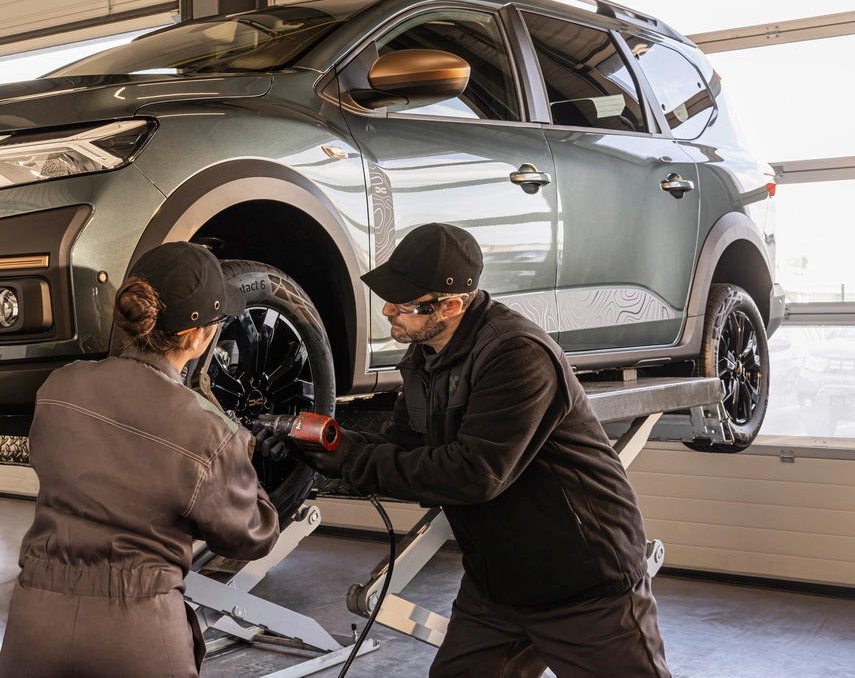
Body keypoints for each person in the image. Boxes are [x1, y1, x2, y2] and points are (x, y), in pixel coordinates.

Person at [262, 223, 671, 677]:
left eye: (403, 304)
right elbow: (400, 451)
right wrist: (317, 449)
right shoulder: (424, 357)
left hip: (582, 582)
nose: (388, 310)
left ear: (452, 305)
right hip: (498, 583)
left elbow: (474, 475)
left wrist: (352, 459)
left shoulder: (516, 354)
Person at [0, 241, 279, 677]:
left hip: (34, 620)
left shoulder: (59, 387)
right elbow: (249, 538)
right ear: (198, 334)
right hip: (136, 629)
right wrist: (245, 463)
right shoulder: (208, 431)